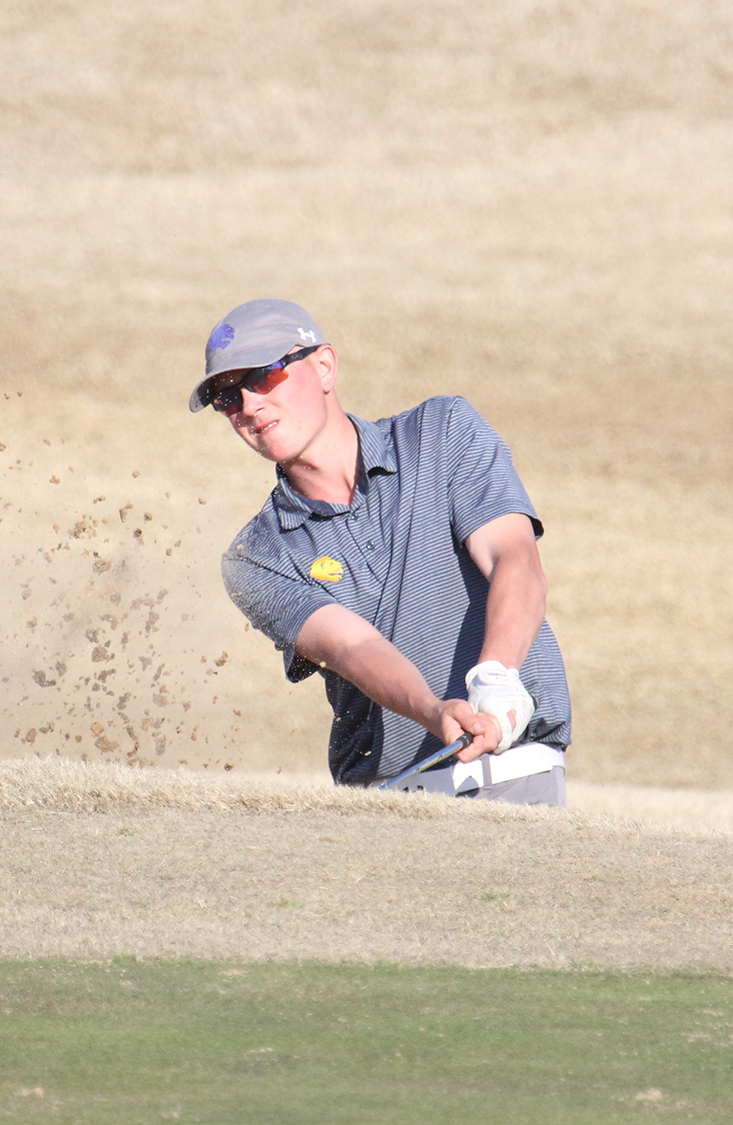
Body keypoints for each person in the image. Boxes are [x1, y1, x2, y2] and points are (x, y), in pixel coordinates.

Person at [192, 299, 570, 805]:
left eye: (262, 376)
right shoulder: (255, 557)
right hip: (385, 804)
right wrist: (433, 710)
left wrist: (496, 678)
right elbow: (353, 648)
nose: (248, 406)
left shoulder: (442, 433)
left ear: (324, 366)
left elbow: (515, 560)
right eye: (226, 396)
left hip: (518, 775)